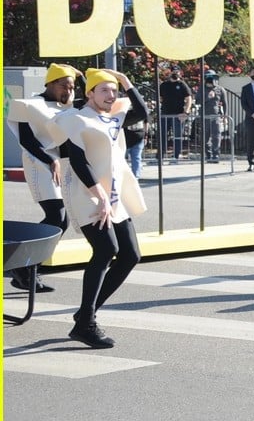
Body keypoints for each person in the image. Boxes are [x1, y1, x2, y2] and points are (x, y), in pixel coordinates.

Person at [52, 69, 148, 348]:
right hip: (88, 194)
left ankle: (85, 313)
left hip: (114, 196)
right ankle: (85, 324)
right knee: (107, 250)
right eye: (104, 90)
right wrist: (100, 197)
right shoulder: (76, 118)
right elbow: (79, 162)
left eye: (114, 90)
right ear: (89, 93)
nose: (111, 95)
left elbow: (140, 112)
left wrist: (127, 81)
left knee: (130, 255)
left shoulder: (113, 116)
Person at [6, 63, 82, 293]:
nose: (68, 91)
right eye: (63, 86)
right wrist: (50, 160)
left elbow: (90, 100)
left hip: (59, 164)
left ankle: (26, 268)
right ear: (49, 83)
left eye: (71, 87)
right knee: (55, 216)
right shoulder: (29, 104)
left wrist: (80, 77)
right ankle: (23, 266)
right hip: (39, 162)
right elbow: (27, 140)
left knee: (62, 221)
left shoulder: (66, 106)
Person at [158, 65, 193, 162]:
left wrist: (186, 112)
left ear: (180, 73)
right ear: (170, 72)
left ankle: (177, 155)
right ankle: (161, 156)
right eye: (174, 72)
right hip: (165, 114)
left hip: (178, 115)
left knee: (177, 136)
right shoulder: (164, 85)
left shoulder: (182, 84)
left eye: (177, 72)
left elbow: (189, 98)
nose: (175, 74)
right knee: (162, 135)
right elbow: (160, 98)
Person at [199, 71, 225, 162]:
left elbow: (225, 103)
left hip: (216, 116)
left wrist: (225, 115)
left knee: (216, 136)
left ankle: (216, 155)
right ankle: (208, 154)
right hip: (204, 116)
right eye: (208, 77)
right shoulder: (201, 89)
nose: (210, 79)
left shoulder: (220, 89)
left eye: (212, 77)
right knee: (205, 136)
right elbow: (198, 100)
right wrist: (207, 97)